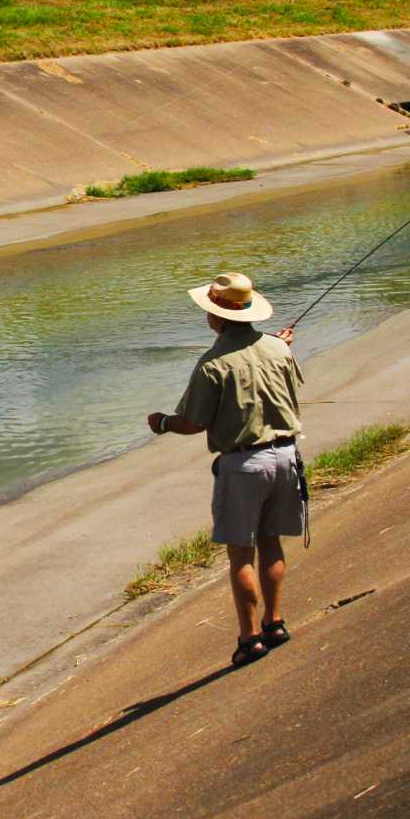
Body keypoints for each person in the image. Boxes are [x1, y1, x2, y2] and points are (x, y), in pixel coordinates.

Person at [146, 271, 305, 667]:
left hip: (243, 465)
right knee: (272, 543)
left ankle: (250, 638)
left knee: (241, 555)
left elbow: (193, 423)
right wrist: (280, 347)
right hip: (286, 456)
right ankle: (275, 622)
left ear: (215, 316)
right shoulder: (278, 349)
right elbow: (286, 388)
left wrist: (162, 422)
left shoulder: (211, 365)